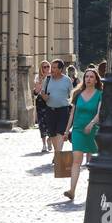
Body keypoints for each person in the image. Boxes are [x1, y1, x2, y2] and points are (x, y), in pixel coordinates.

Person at [64, 68, 102, 201]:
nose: (88, 79)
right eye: (86, 77)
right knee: (76, 161)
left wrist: (91, 124)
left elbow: (99, 113)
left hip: (93, 131)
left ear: (96, 79)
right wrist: (66, 130)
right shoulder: (78, 94)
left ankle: (92, 190)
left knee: (92, 163)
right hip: (78, 130)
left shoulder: (99, 94)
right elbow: (72, 114)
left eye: (92, 77)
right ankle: (72, 190)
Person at [40, 59, 73, 156]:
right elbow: (42, 91)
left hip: (63, 110)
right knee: (52, 133)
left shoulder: (67, 80)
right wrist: (44, 96)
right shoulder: (48, 79)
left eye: (54, 68)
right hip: (50, 110)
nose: (51, 70)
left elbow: (72, 95)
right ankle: (57, 152)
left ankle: (58, 155)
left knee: (60, 132)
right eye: (51, 67)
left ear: (60, 69)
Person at [32, 60, 51, 153]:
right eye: (44, 67)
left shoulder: (53, 77)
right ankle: (44, 144)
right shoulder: (38, 78)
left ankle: (50, 139)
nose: (47, 68)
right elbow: (36, 92)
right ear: (41, 68)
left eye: (48, 66)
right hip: (41, 102)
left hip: (51, 101)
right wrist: (42, 80)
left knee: (51, 122)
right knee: (42, 123)